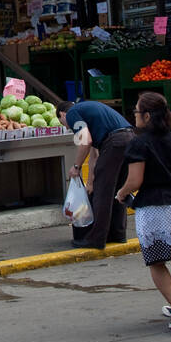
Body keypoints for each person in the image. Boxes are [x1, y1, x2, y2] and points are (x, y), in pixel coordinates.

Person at [114, 92, 171, 331]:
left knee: (156, 262)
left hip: (155, 207)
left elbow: (135, 180)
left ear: (146, 116)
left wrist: (122, 193)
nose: (134, 115)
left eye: (136, 111)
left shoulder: (138, 143)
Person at [58, 99, 133, 249]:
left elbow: (85, 141)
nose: (67, 128)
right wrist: (91, 182)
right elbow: (95, 155)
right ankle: (118, 234)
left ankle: (96, 239)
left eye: (63, 124)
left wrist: (76, 167)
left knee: (103, 193)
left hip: (114, 142)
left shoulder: (72, 114)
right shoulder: (88, 112)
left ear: (62, 114)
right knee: (118, 190)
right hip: (129, 138)